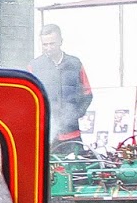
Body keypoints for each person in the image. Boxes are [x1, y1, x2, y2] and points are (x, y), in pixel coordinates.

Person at [29, 24, 93, 155]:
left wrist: (76, 113)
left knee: (77, 170)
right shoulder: (34, 66)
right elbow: (30, 99)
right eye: (45, 44)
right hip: (47, 133)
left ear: (61, 42)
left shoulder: (75, 63)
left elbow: (87, 93)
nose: (48, 48)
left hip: (72, 132)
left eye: (52, 44)